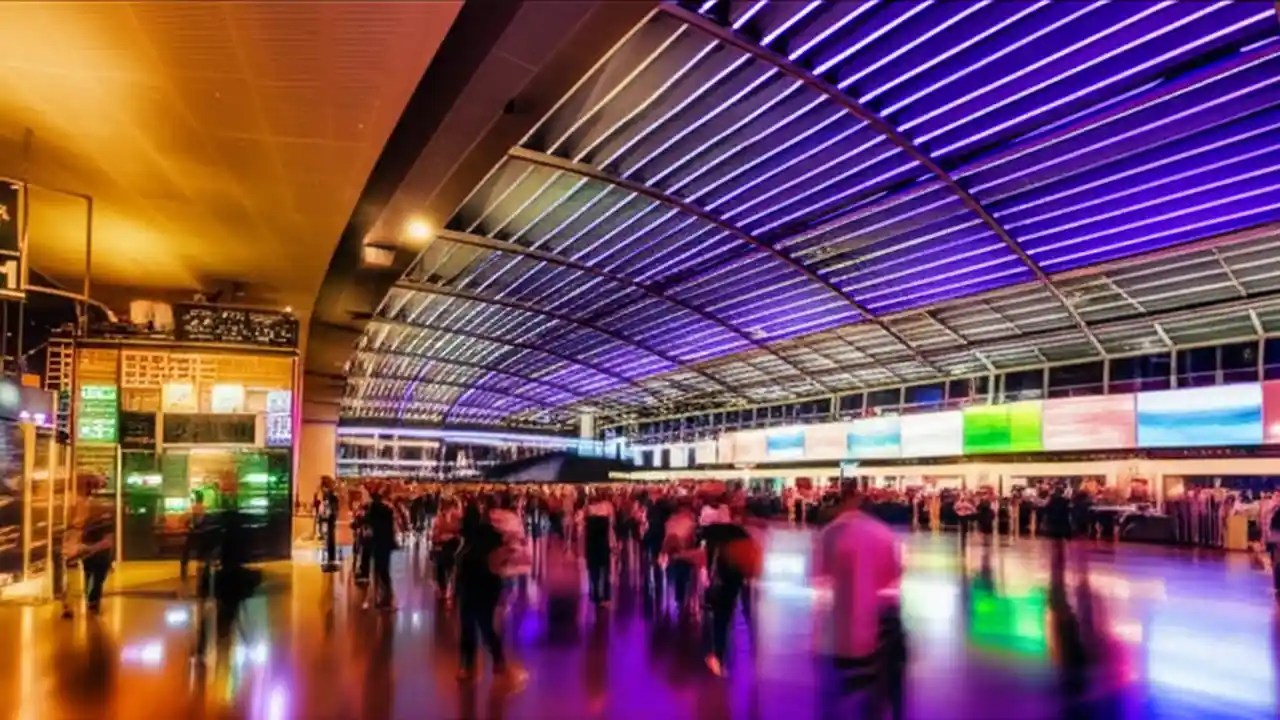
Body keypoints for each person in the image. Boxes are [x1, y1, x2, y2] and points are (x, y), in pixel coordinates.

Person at [816, 490, 906, 720]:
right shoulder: (883, 533)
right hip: (880, 622)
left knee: (841, 688)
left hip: (841, 626)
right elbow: (892, 574)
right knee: (881, 685)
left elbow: (822, 575)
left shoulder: (831, 533)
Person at [455, 503, 526, 686]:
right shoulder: (489, 538)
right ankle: (494, 662)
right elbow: (501, 561)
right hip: (484, 585)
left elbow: (467, 563)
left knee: (472, 626)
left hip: (475, 584)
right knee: (481, 626)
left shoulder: (475, 539)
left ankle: (470, 665)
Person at [62, 477, 114, 617]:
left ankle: (81, 602)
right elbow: (108, 536)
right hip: (94, 548)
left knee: (83, 576)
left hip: (87, 547)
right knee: (94, 577)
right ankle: (91, 601)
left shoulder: (76, 506)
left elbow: (74, 526)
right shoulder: (103, 507)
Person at [364, 489, 399, 610]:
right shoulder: (387, 510)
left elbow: (366, 522)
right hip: (385, 543)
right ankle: (385, 597)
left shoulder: (373, 509)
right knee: (383, 570)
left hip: (377, 543)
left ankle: (381, 597)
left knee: (379, 570)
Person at [584, 492, 615, 606]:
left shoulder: (588, 510)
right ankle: (606, 596)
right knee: (605, 571)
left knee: (594, 571)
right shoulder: (608, 507)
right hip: (602, 544)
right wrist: (613, 543)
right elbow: (611, 528)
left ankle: (595, 595)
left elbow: (584, 528)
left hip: (592, 544)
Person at [431, 498, 462, 603]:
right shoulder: (438, 517)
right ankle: (444, 589)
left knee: (448, 567)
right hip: (442, 545)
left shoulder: (455, 515)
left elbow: (458, 529)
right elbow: (434, 533)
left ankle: (449, 589)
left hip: (451, 545)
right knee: (441, 567)